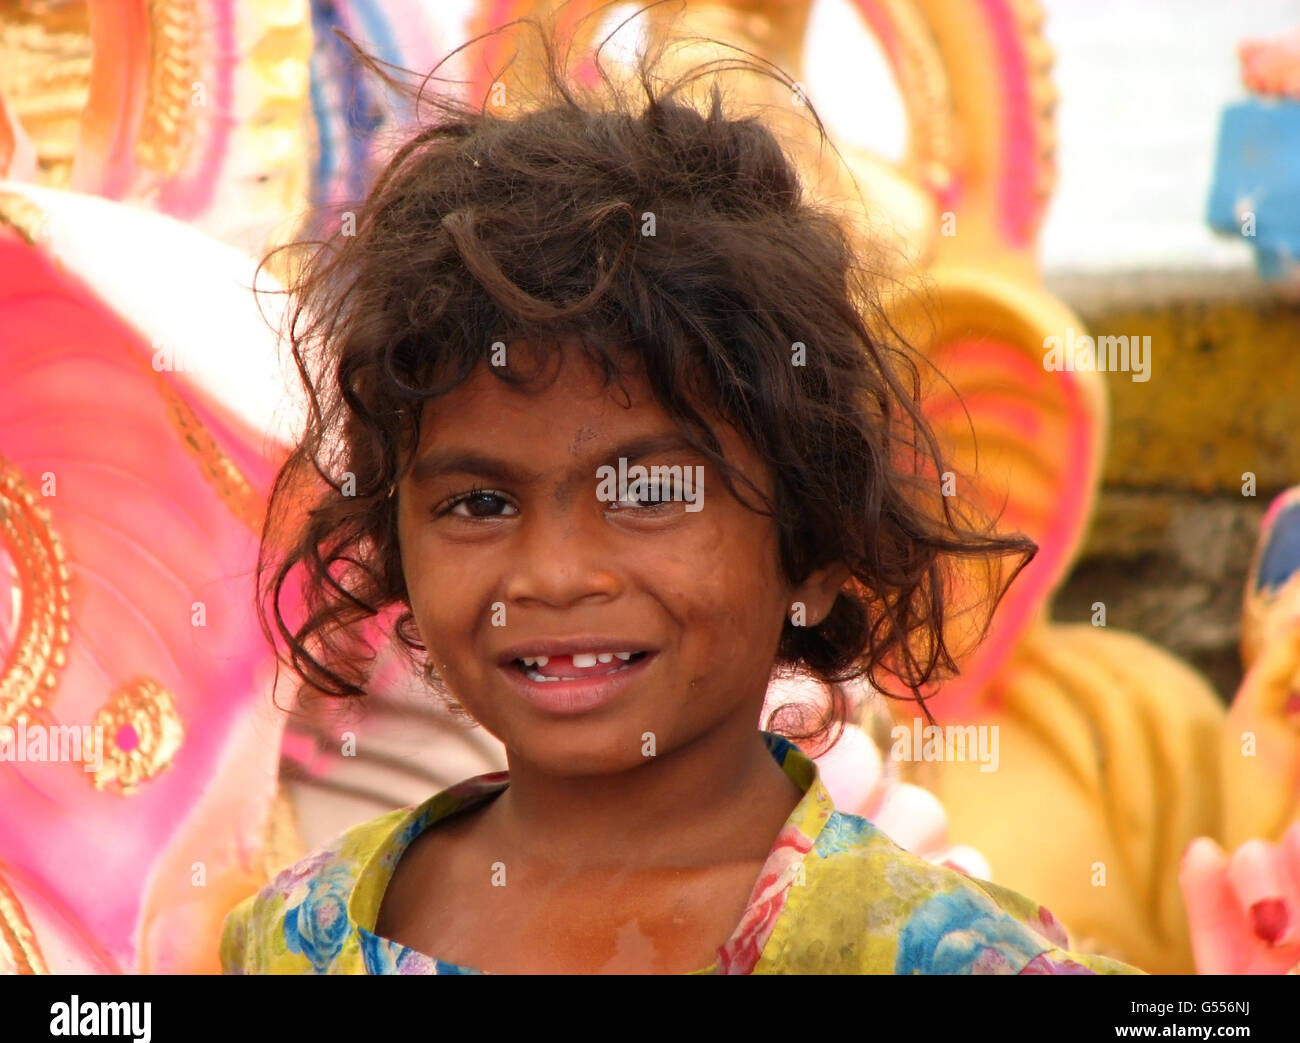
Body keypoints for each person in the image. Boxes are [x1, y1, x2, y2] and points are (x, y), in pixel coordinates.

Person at [219, 9, 1141, 975]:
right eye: (480, 504)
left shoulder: (939, 956)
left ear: (815, 550)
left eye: (650, 490)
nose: (553, 573)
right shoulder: (295, 935)